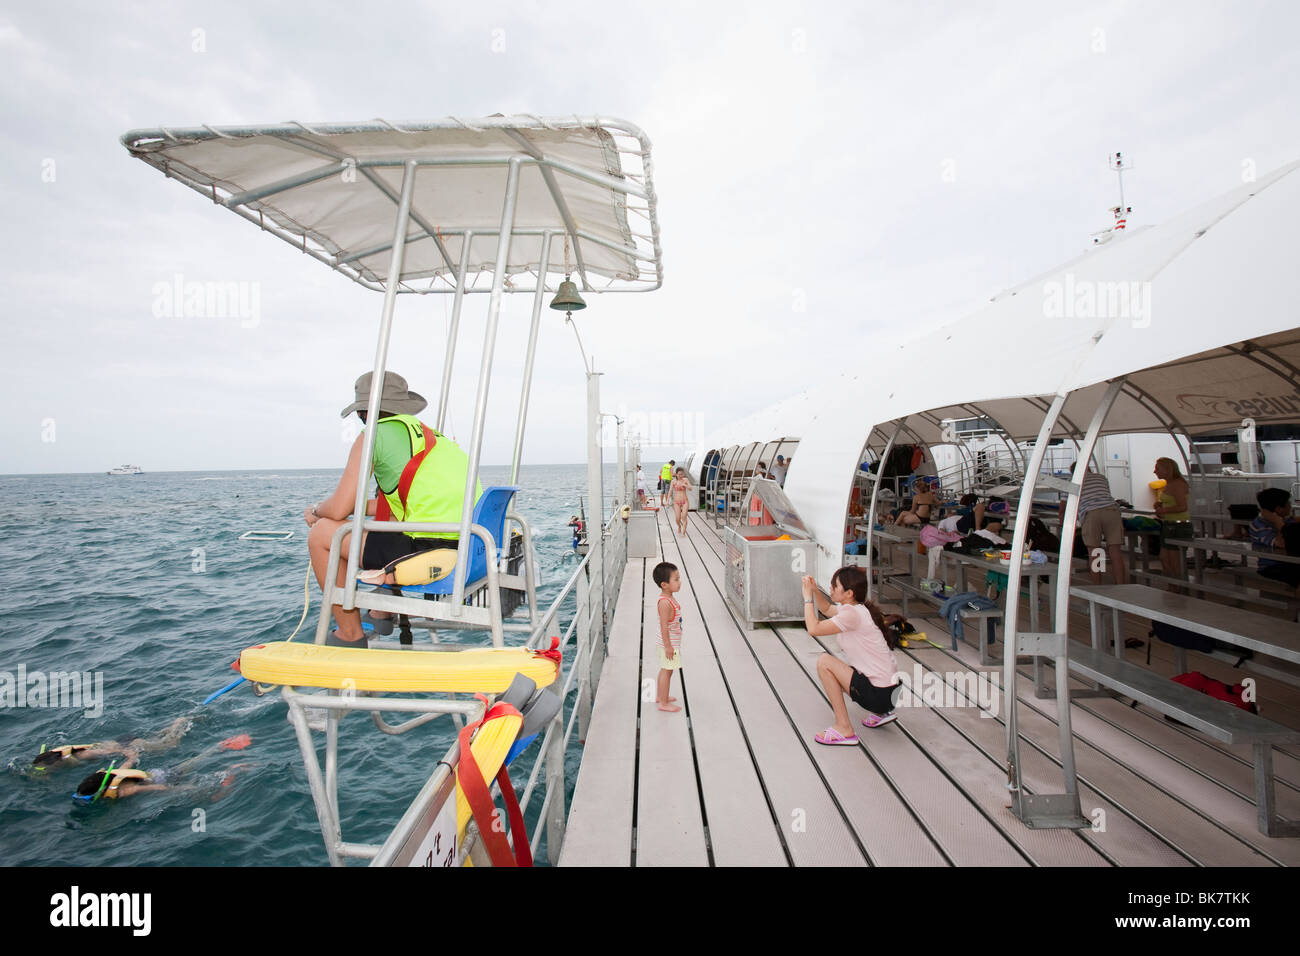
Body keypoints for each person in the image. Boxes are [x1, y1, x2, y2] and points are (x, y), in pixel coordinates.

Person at [304, 372, 481, 646]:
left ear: (364, 412)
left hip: (430, 550)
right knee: (376, 526)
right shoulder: (431, 438)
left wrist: (317, 510)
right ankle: (382, 610)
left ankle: (350, 635)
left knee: (322, 534)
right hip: (470, 547)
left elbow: (339, 508)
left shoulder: (373, 435)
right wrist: (351, 509)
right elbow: (399, 504)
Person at [804, 567, 900, 744]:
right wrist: (815, 590)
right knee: (844, 666)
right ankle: (882, 713)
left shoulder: (850, 614)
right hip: (890, 692)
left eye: (835, 585)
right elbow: (825, 608)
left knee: (824, 662)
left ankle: (844, 728)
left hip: (879, 695)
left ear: (849, 593)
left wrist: (807, 597)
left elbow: (813, 628)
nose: (831, 588)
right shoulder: (858, 609)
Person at [73, 735, 252, 803]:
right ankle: (220, 746)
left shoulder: (123, 791)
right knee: (195, 761)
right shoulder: (115, 775)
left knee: (204, 791)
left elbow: (158, 788)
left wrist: (186, 789)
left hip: (164, 779)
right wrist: (130, 754)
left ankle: (230, 770)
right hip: (159, 771)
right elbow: (131, 760)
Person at [31, 717, 193, 774]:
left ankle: (180, 723)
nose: (51, 770)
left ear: (57, 761)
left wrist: (128, 754)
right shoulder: (58, 753)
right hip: (123, 740)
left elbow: (107, 751)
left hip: (126, 745)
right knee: (157, 741)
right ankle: (165, 730)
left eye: (50, 768)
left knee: (170, 745)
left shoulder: (81, 755)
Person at [1059, 462, 1128, 585]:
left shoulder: (1070, 482)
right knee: (1115, 551)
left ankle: (1098, 585)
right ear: (1088, 468)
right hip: (1112, 510)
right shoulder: (1101, 478)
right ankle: (1120, 584)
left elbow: (1063, 508)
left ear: (1073, 471)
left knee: (1095, 552)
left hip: (1091, 513)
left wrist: (1062, 524)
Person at [1250, 487, 1300, 587]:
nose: (1290, 506)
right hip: (1272, 566)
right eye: (1288, 503)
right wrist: (1277, 522)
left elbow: (1294, 521)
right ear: (1279, 509)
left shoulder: (1284, 518)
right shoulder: (1259, 525)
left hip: (1289, 562)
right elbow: (1281, 544)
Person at [1152, 457, 1191, 582]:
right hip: (1168, 524)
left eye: (1157, 468)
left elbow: (1182, 506)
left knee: (1174, 559)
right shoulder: (1169, 484)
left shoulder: (1178, 484)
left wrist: (1163, 510)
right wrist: (1160, 507)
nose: (1155, 471)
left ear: (1167, 469)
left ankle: (1178, 585)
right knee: (1164, 557)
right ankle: (1172, 583)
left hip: (1178, 526)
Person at [652, 562, 684, 713]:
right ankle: (663, 703)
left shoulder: (669, 597)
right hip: (668, 644)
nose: (679, 582)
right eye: (676, 579)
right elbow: (664, 627)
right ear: (664, 584)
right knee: (667, 670)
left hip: (669, 643)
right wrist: (668, 646)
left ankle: (660, 695)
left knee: (666, 669)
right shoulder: (665, 603)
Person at [670, 467, 691, 534]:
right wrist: (667, 500)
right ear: (676, 474)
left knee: (684, 516)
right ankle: (679, 526)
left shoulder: (686, 480)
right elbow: (670, 491)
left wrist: (685, 485)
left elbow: (690, 488)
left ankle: (683, 533)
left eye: (681, 474)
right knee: (677, 518)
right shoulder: (673, 481)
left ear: (683, 474)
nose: (680, 476)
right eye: (679, 474)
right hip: (676, 502)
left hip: (685, 501)